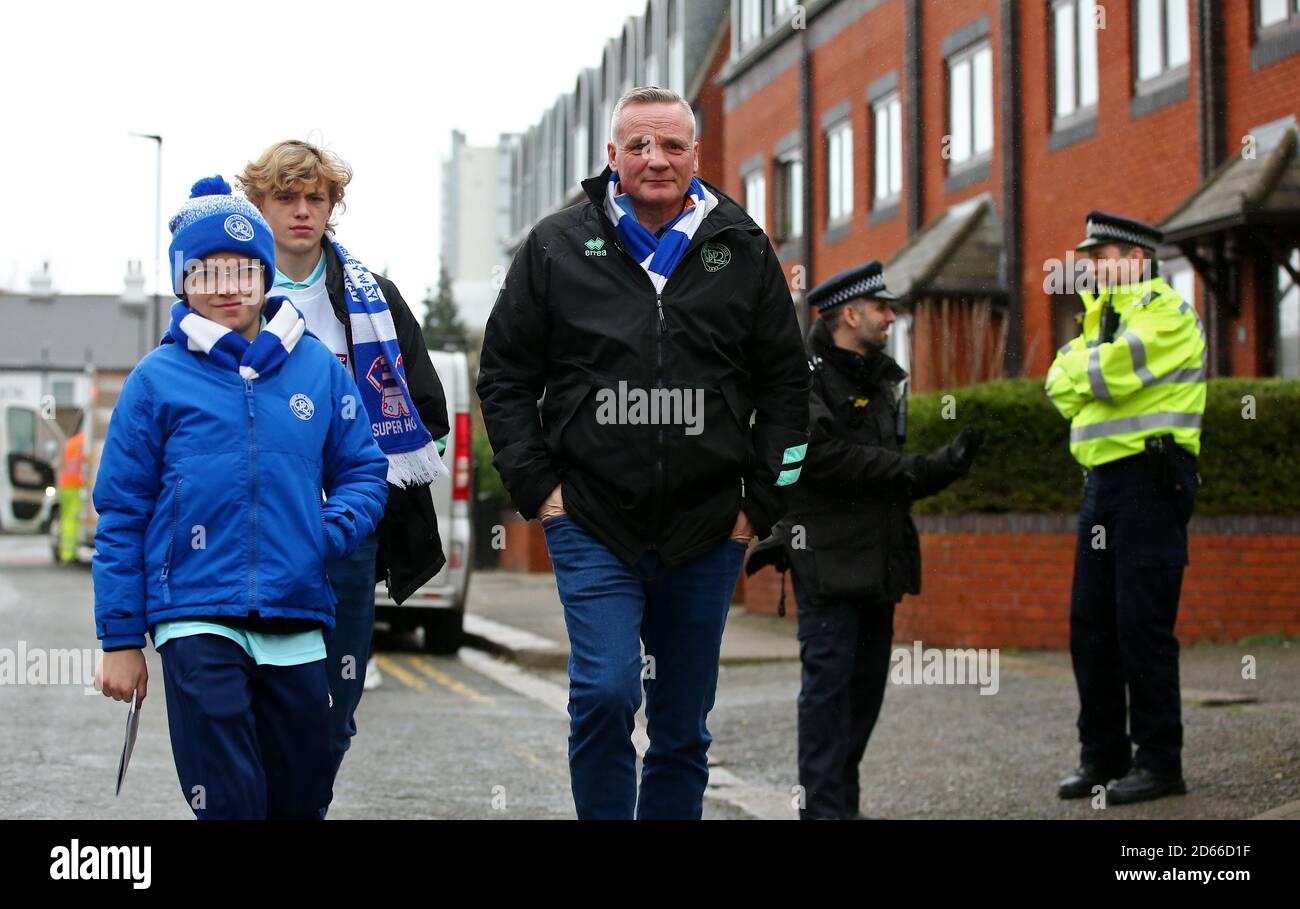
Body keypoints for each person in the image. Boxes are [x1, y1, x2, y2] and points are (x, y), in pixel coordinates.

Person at [477, 86, 810, 820]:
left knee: (681, 726)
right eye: (638, 146)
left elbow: (788, 387)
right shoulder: (557, 245)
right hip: (591, 519)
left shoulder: (744, 248)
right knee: (605, 692)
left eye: (670, 146)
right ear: (612, 157)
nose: (655, 160)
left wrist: (763, 502)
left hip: (711, 527)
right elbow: (504, 375)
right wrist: (539, 489)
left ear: (696, 153)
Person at [93, 176, 389, 819]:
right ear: (182, 283)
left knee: (301, 799)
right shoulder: (155, 381)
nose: (226, 286)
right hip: (195, 615)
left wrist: (324, 533)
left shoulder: (319, 369)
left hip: (297, 617)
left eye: (242, 269)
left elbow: (365, 473)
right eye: (206, 272)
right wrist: (121, 640)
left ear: (265, 274)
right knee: (229, 801)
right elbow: (121, 514)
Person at [238, 141, 450, 784]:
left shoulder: (372, 298)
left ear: (333, 208)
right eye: (286, 198)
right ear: (258, 205)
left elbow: (427, 416)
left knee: (333, 709)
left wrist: (366, 493)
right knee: (239, 705)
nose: (302, 211)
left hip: (344, 534)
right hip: (245, 529)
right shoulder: (230, 291)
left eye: (316, 198)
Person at [747, 260, 982, 819]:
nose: (890, 316)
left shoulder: (878, 377)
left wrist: (933, 471)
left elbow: (879, 470)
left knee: (863, 698)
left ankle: (840, 808)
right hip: (828, 564)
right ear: (848, 314)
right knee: (828, 699)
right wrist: (916, 470)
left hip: (878, 563)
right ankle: (824, 812)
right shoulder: (801, 376)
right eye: (881, 308)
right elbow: (818, 457)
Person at [1046, 211, 1206, 805]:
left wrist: (1083, 374)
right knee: (1091, 628)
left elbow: (1102, 377)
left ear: (1136, 259)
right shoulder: (1098, 323)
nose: (1090, 268)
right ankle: (1102, 759)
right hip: (1102, 486)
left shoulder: (1168, 314)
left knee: (1142, 627)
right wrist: (1084, 374)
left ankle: (1161, 762)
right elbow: (1056, 384)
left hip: (1151, 482)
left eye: (1102, 255)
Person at [57, 418, 85, 563]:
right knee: (73, 520)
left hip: (65, 485)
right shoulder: (83, 442)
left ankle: (65, 553)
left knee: (65, 519)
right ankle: (69, 553)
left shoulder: (70, 442)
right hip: (76, 486)